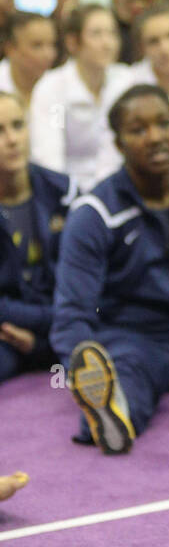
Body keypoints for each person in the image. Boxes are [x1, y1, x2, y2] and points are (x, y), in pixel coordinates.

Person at [49, 85, 169, 453]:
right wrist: (81, 361)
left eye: (164, 124)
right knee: (123, 379)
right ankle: (110, 412)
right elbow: (73, 312)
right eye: (138, 130)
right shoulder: (93, 214)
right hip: (132, 338)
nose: (155, 137)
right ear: (118, 144)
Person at [0, 91, 77, 384]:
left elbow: (87, 286)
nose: (12, 139)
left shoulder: (65, 192)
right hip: (7, 332)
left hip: (60, 325)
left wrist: (37, 337)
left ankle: (41, 351)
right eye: (0, 130)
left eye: (18, 125)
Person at [29, 4, 134, 189]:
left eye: (112, 33)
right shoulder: (53, 88)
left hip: (119, 188)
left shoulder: (125, 81)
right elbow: (49, 155)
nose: (107, 43)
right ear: (72, 42)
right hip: (68, 189)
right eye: (96, 34)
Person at [0, 12, 58, 105]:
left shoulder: (60, 85)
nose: (49, 54)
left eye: (52, 44)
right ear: (10, 49)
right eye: (37, 45)